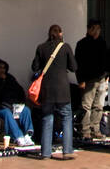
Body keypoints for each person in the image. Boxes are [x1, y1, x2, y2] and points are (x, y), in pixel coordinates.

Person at [31, 25, 78, 158]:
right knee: (66, 118)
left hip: (47, 90)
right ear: (61, 34)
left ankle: (45, 153)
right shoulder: (65, 47)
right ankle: (67, 150)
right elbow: (74, 67)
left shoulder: (41, 47)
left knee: (47, 118)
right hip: (63, 89)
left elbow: (35, 67)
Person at [0, 58, 36, 146]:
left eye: (4, 68)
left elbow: (19, 91)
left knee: (26, 110)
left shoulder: (10, 78)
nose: (2, 70)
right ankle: (18, 137)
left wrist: (20, 103)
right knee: (7, 113)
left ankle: (27, 136)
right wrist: (1, 82)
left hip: (12, 105)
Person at [75, 19, 108, 140]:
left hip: (101, 78)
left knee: (99, 105)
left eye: (98, 29)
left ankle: (96, 128)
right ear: (89, 29)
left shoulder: (102, 43)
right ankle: (85, 130)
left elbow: (106, 60)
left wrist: (106, 75)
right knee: (86, 105)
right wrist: (81, 80)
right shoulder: (82, 44)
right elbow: (78, 64)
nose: (97, 31)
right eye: (94, 29)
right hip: (88, 79)